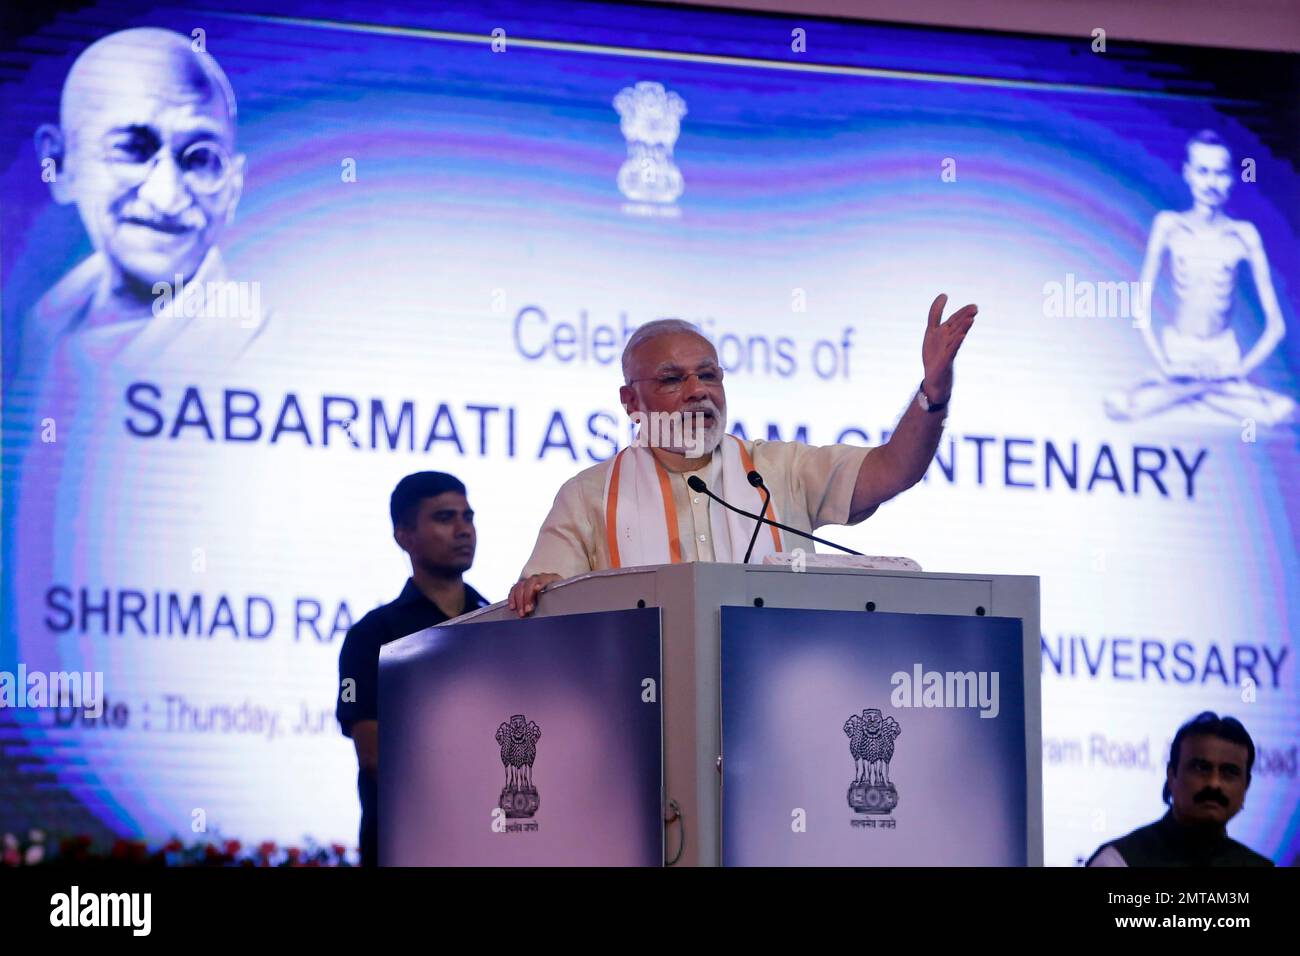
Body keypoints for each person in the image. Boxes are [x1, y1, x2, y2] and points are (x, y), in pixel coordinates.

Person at [508, 293, 976, 616]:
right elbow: (550, 602)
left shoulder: (777, 470)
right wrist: (539, 593)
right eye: (673, 380)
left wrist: (932, 394)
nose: (697, 391)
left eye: (709, 376)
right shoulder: (589, 496)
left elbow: (894, 468)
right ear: (631, 402)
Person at [24, 27, 266, 377]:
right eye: (133, 149)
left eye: (199, 159)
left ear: (233, 186)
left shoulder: (264, 355)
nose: (167, 197)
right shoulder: (33, 333)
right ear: (59, 163)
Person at [336, 472, 489, 867]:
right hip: (405, 848)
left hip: (489, 843)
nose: (463, 530)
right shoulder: (371, 636)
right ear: (403, 535)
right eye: (444, 518)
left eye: (467, 517)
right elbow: (373, 755)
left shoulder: (498, 625)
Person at [1104, 130, 1292, 425]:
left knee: (1284, 412)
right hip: (1179, 353)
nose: (1211, 183)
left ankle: (1193, 391)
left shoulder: (1243, 235)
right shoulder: (1168, 225)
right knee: (1117, 406)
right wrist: (1165, 365)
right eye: (1203, 172)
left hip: (1223, 358)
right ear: (1188, 174)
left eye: (1220, 173)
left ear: (1231, 179)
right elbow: (1139, 308)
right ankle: (1204, 391)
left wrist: (1239, 371)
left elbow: (1276, 326)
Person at [1087, 711, 1273, 867]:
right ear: (1171, 775)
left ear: (1246, 785)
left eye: (1229, 772)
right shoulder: (1118, 861)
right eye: (1201, 768)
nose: (1214, 783)